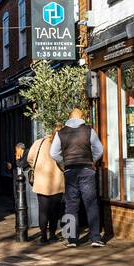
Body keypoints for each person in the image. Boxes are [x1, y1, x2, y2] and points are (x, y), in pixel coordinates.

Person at [50, 106, 104, 248]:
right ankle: (95, 238)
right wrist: (93, 161)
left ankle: (72, 240)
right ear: (81, 117)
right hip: (87, 170)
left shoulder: (60, 133)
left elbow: (53, 153)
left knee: (71, 205)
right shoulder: (89, 130)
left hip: (70, 172)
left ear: (69, 117)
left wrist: (63, 163)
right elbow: (100, 149)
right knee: (91, 203)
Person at [26, 130, 65, 244]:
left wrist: (36, 166)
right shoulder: (62, 144)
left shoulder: (39, 142)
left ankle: (43, 236)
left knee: (43, 210)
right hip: (57, 182)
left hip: (42, 181)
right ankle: (52, 235)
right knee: (54, 211)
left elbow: (29, 158)